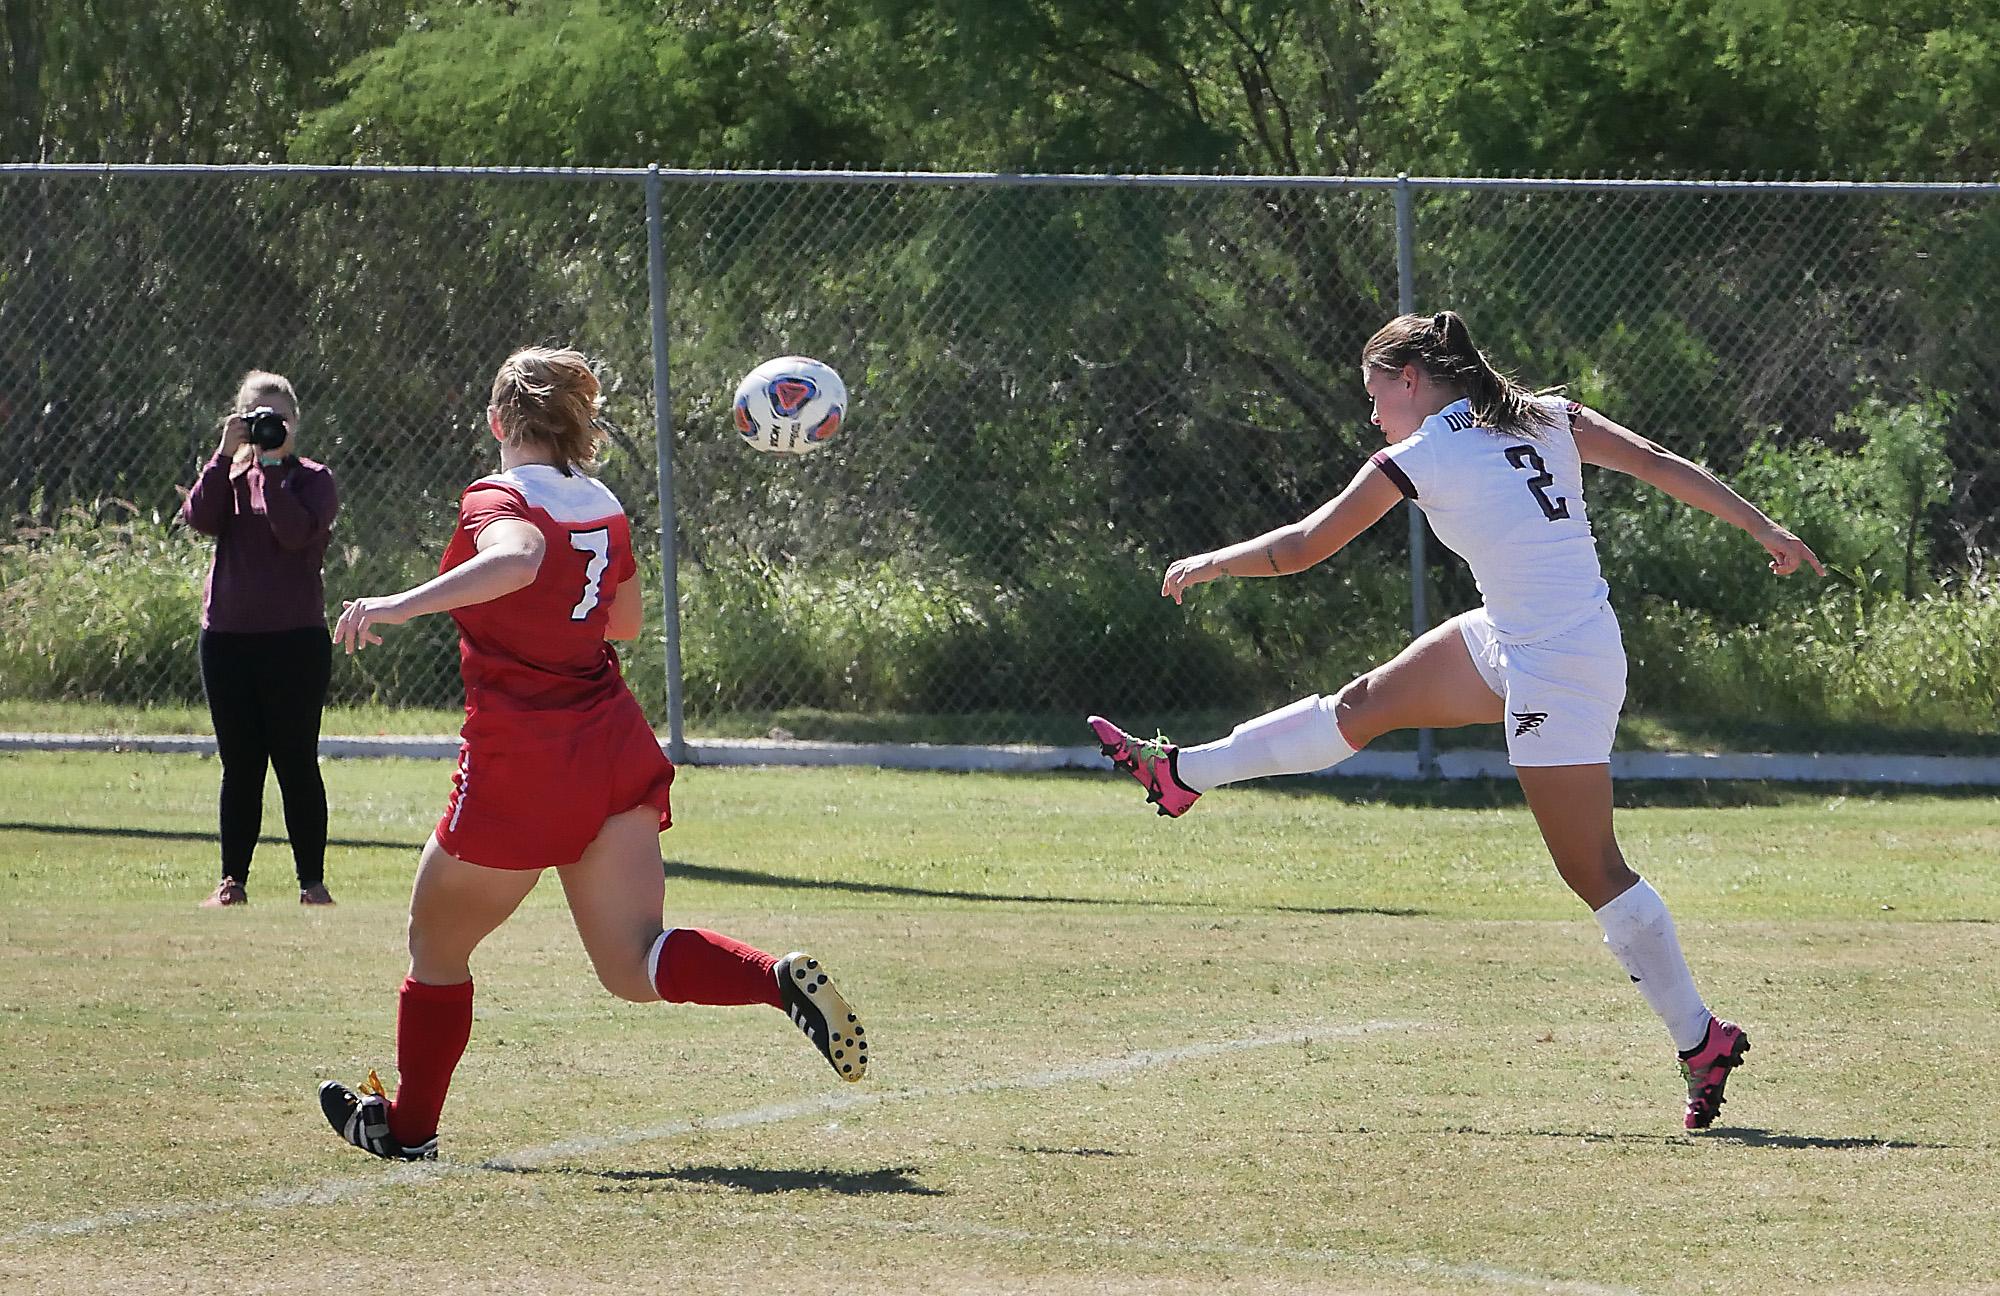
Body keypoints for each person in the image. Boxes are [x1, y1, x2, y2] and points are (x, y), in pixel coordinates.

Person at [1088, 311, 1824, 1132]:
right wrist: (1761, 525)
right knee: (1364, 705)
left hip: (1561, 667)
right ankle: (1181, 773)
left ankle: (1701, 1040)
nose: (1372, 414)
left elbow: (1304, 545)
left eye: (1376, 394)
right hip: (1518, 637)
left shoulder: (1426, 452)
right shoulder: (1550, 414)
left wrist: (1209, 562)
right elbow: (1659, 463)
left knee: (1594, 872)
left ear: (1411, 381)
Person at [316, 347, 867, 1162]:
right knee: (632, 962)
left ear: (500, 423)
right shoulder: (602, 502)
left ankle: (408, 1130)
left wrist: (398, 605)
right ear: (576, 422)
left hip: (525, 761)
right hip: (610, 743)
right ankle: (770, 978)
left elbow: (519, 558)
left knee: (434, 945)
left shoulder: (495, 496)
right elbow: (626, 623)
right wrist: (555, 613)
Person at [181, 371, 340, 908]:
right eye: (256, 419)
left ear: (296, 424)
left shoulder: (314, 479)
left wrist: (272, 469)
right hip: (227, 637)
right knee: (240, 764)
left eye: (278, 420)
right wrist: (224, 456)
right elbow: (199, 518)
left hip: (295, 640)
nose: (268, 428)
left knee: (296, 760)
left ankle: (311, 883)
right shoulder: (224, 476)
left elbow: (294, 533)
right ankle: (233, 881)